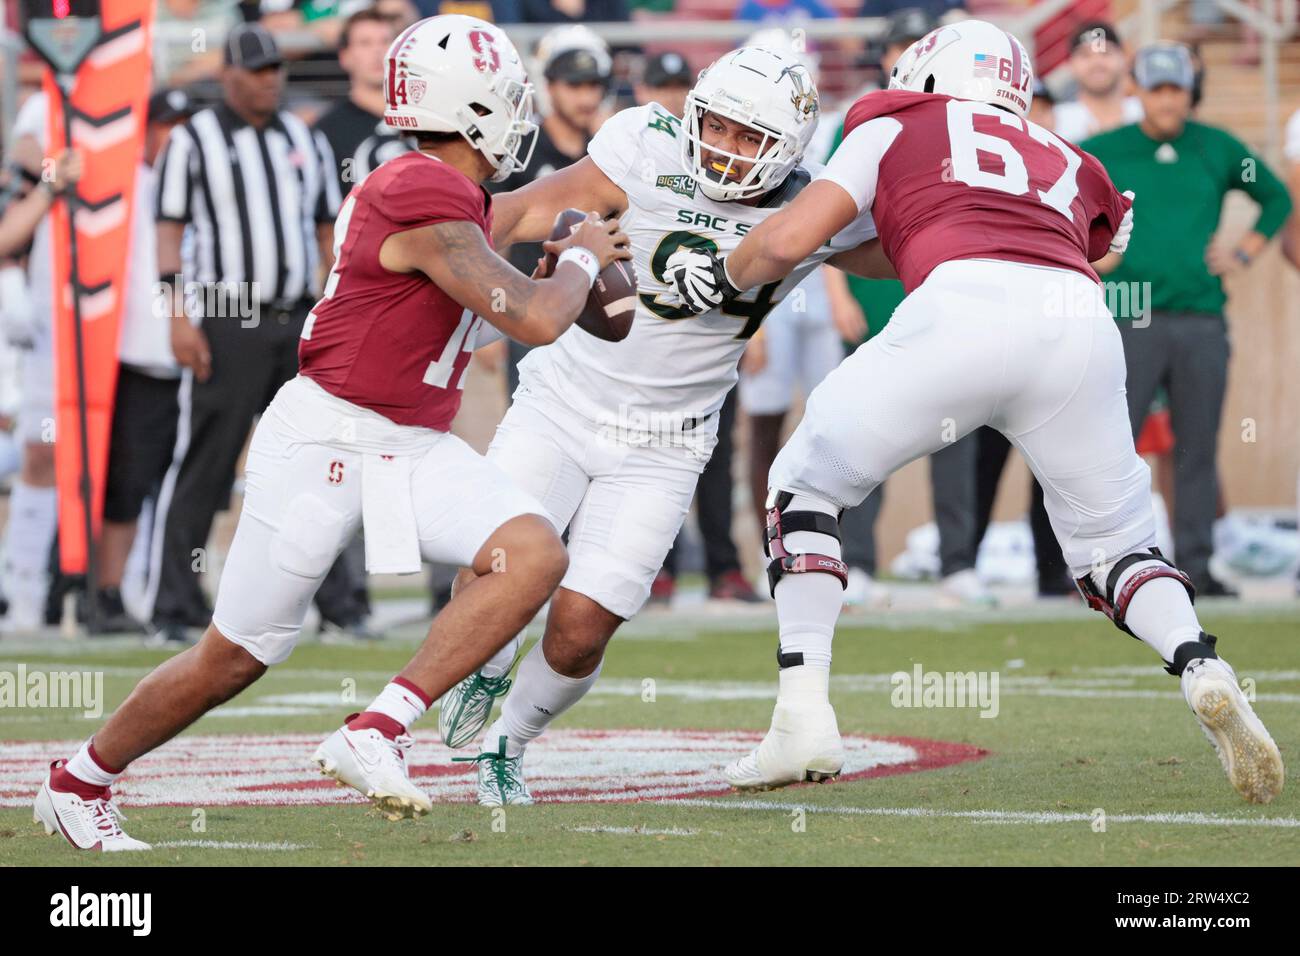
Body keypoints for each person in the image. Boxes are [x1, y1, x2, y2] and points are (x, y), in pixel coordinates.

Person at [33, 14, 631, 852]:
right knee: (234, 658)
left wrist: (609, 208)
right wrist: (577, 261)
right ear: (470, 107)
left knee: (532, 552)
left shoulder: (451, 197)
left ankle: (377, 727)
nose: (518, 112)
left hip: (410, 442)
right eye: (505, 97)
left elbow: (515, 259)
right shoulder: (419, 190)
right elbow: (533, 317)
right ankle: (78, 783)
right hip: (328, 442)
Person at [665, 20, 1284, 805]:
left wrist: (716, 277)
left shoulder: (894, 121)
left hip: (961, 309)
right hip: (1080, 325)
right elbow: (1072, 240)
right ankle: (1202, 664)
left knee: (804, 487)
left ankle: (801, 717)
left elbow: (787, 239)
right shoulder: (1069, 155)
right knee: (1113, 548)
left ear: (926, 70)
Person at [437, 45, 884, 806]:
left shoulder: (809, 203)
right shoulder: (645, 140)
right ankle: (483, 659)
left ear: (787, 150)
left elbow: (911, 249)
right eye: (716, 124)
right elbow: (526, 206)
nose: (724, 146)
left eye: (750, 138)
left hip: (667, 441)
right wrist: (444, 243)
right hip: (562, 398)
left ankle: (508, 742)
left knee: (581, 630)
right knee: (494, 573)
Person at [145, 23, 368, 645]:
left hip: (297, 314)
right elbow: (168, 233)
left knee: (318, 458)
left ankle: (342, 606)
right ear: (229, 75)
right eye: (259, 70)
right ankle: (176, 606)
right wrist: (178, 317)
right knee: (209, 460)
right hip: (228, 313)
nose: (272, 79)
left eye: (277, 69)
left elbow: (329, 231)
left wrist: (337, 311)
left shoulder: (303, 136)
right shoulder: (193, 141)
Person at [1082, 42, 1293, 597]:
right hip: (1130, 315)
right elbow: (1060, 202)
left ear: (1189, 92)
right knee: (1111, 444)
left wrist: (1242, 252)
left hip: (1201, 316)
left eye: (1176, 89)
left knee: (1198, 444)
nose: (1167, 100)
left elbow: (1274, 198)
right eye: (1156, 89)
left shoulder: (1217, 147)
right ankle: (1101, 565)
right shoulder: (1103, 149)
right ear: (1138, 91)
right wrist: (1093, 251)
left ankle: (1196, 563)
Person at [88, 90, 193, 633]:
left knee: (186, 480)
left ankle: (168, 590)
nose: (174, 138)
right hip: (135, 353)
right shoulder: (125, 186)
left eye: (183, 127)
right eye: (165, 127)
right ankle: (103, 590)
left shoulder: (201, 178)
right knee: (126, 482)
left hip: (195, 359)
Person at [0, 92, 81, 633]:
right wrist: (53, 179)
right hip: (33, 354)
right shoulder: (31, 187)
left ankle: (48, 591)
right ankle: (19, 588)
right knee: (40, 453)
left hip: (83, 323)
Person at [312, 8, 409, 202]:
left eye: (385, 41)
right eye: (365, 43)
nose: (378, 51)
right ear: (345, 56)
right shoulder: (326, 131)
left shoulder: (429, 117)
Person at [1053, 21, 1143, 144]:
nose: (1096, 63)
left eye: (1105, 53)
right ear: (1070, 64)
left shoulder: (1146, 111)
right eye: (1085, 55)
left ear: (1124, 59)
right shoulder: (1055, 121)